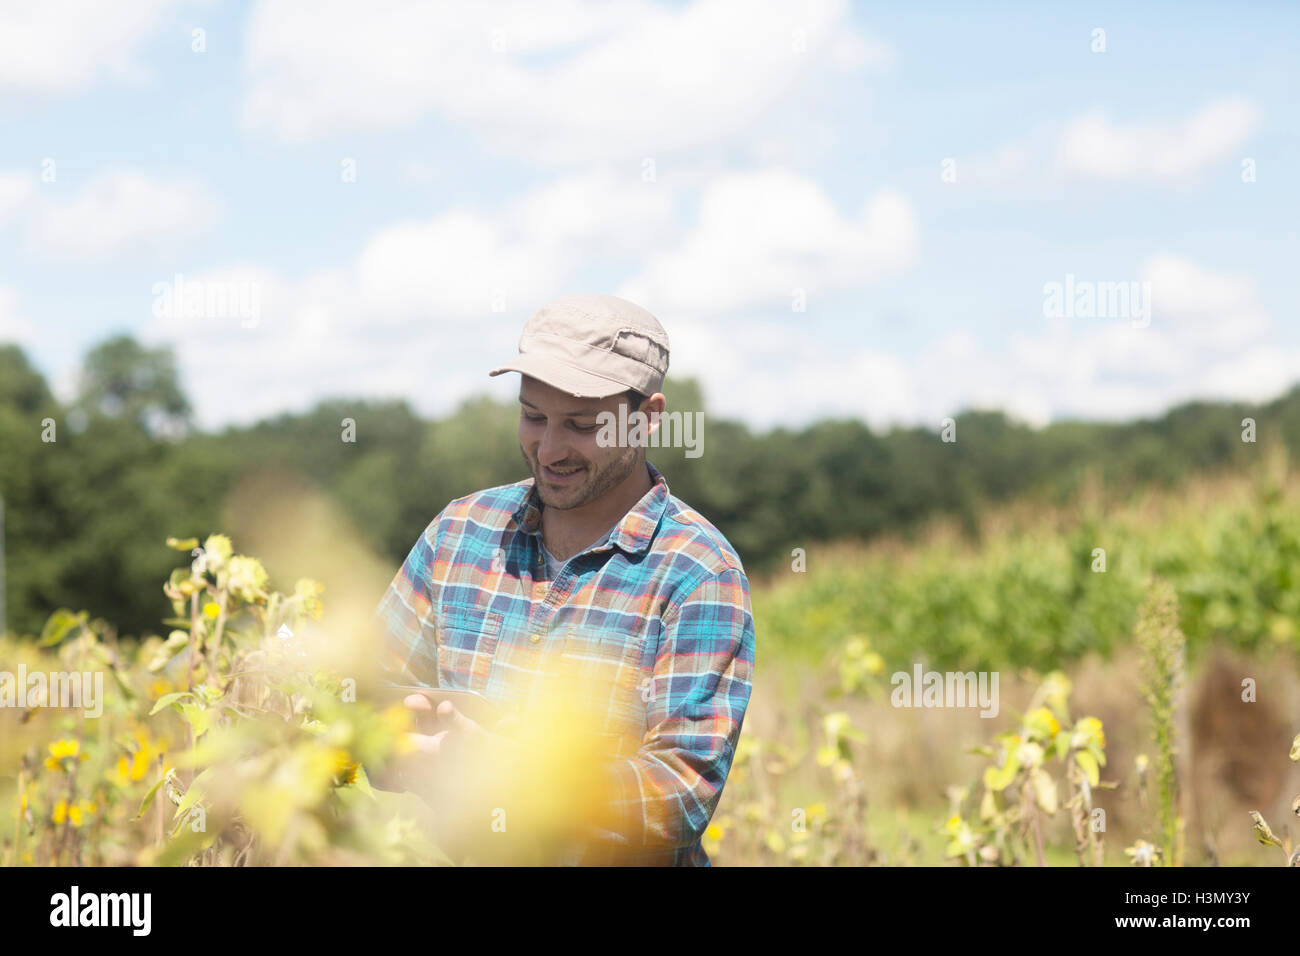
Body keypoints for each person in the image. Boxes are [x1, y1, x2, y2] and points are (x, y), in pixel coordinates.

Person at [374, 293, 755, 866]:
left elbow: (682, 791)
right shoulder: (459, 532)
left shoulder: (699, 572)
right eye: (534, 416)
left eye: (580, 425)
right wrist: (391, 742)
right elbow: (363, 692)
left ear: (648, 419)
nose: (549, 449)